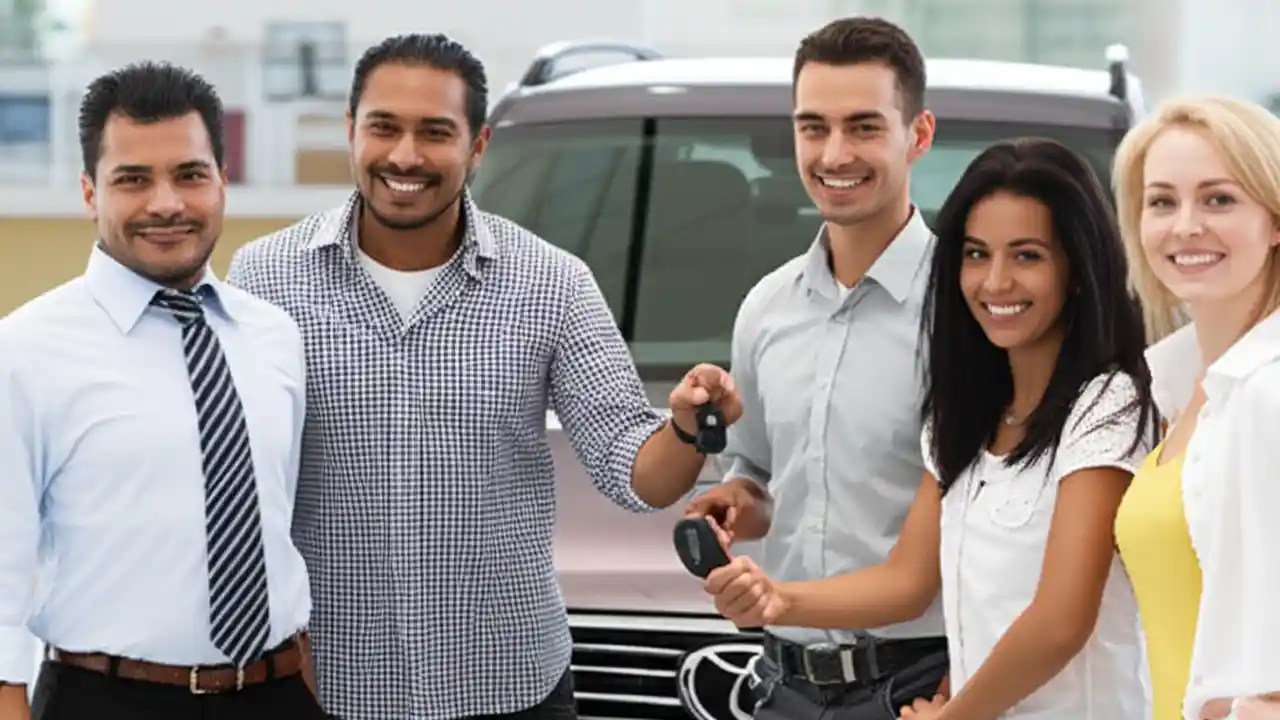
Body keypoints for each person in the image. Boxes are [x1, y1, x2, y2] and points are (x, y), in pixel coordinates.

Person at [225, 33, 741, 720]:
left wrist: (682, 427)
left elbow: (633, 470)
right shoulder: (264, 279)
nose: (405, 156)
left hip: (507, 688)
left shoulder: (552, 285)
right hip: (324, 687)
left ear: (477, 146)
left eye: (435, 132)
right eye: (384, 127)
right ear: (352, 132)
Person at [702, 137, 1158, 719]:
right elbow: (908, 581)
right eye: (975, 254)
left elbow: (1060, 622)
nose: (995, 283)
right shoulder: (964, 414)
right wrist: (776, 599)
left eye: (1027, 256)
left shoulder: (1108, 407)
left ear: (1076, 269)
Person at [0, 62, 326, 720]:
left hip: (278, 694)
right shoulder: (24, 351)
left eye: (189, 174)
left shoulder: (276, 337)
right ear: (91, 193)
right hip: (106, 699)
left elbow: (279, 525)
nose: (167, 203)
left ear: (222, 183)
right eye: (133, 179)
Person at [680, 16, 950, 718]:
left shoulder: (968, 307)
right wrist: (739, 503)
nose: (834, 153)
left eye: (864, 127)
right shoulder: (766, 307)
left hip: (926, 686)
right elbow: (761, 476)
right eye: (813, 127)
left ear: (917, 135)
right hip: (781, 685)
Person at [1112, 95, 1280, 720]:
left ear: (1276, 220)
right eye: (1162, 201)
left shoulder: (1268, 393)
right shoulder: (1178, 386)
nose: (1185, 226)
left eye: (1219, 199)